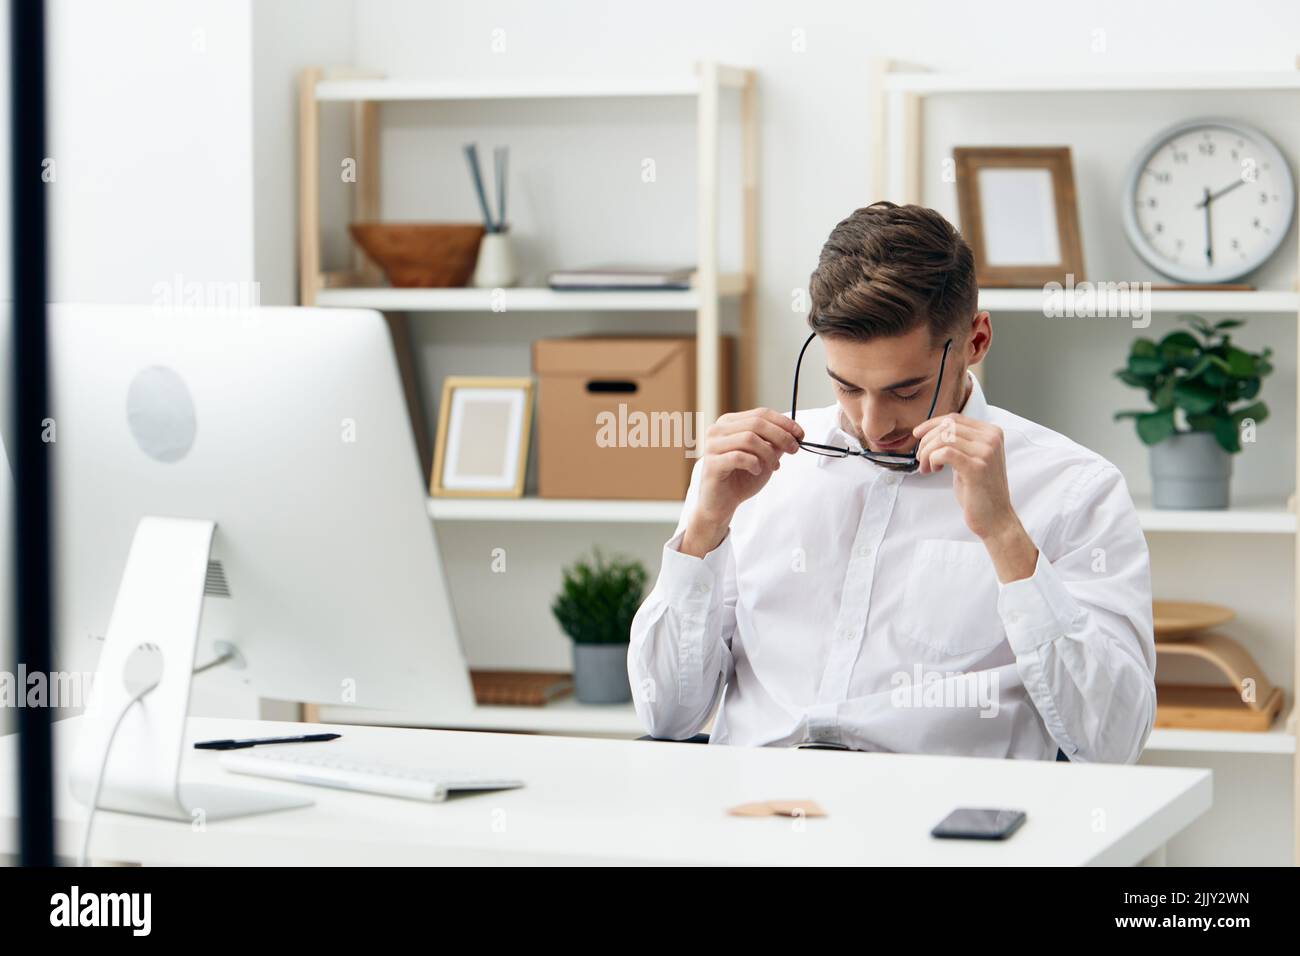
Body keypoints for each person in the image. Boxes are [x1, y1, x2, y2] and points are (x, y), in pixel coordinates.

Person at [627, 201, 1155, 762]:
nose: (874, 424)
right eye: (846, 387)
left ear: (976, 341)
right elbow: (666, 715)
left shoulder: (1076, 488)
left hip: (938, 831)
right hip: (756, 816)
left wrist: (1004, 535)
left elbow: (1111, 743)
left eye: (905, 391)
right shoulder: (753, 476)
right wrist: (705, 528)